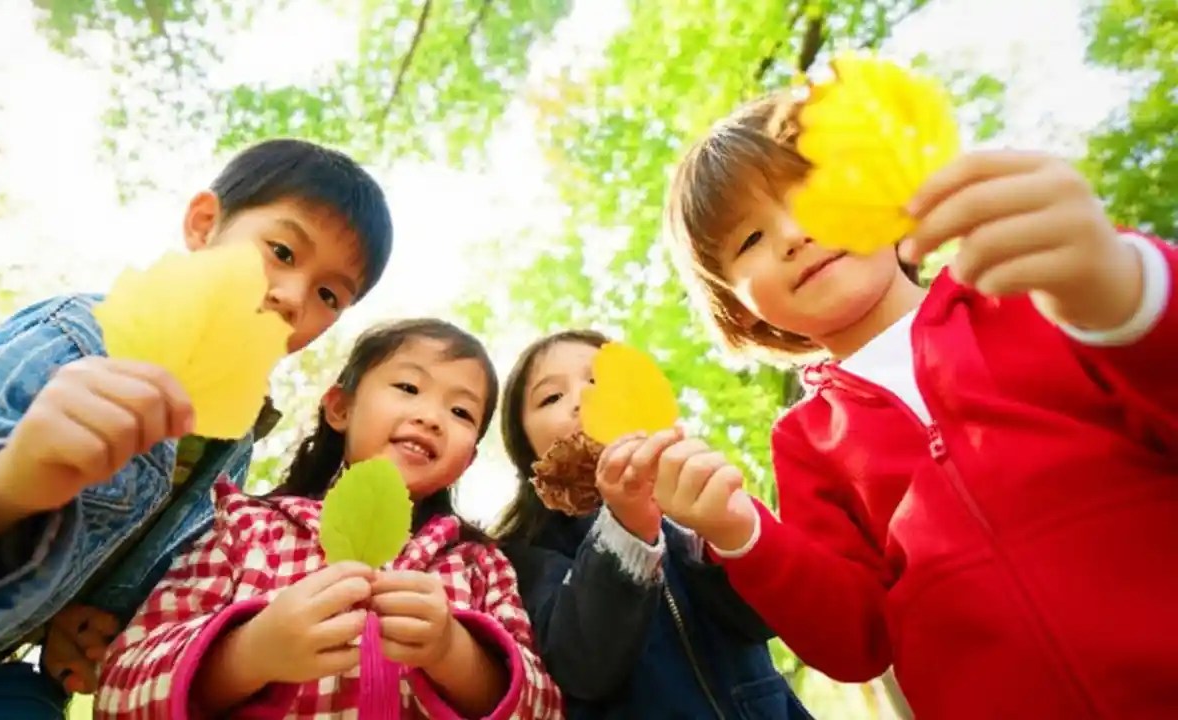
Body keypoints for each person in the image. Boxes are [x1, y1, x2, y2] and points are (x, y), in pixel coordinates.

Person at [650, 90, 1178, 717]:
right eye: (751, 239)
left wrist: (1124, 291)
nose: (794, 234)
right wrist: (742, 533)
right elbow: (855, 641)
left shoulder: (1042, 287)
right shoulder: (805, 442)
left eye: (815, 194)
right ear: (738, 307)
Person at [0, 139, 393, 718]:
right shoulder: (76, 341)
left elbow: (126, 574)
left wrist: (76, 623)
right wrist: (9, 481)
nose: (292, 297)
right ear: (205, 224)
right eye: (282, 251)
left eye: (329, 295)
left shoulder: (231, 446)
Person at [96, 318, 562, 719]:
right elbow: (118, 692)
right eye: (408, 387)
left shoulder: (480, 565)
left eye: (461, 411)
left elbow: (544, 710)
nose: (431, 416)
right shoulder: (243, 528)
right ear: (340, 407)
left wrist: (453, 652)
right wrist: (251, 651)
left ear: (466, 461)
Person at [494, 329, 810, 719]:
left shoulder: (690, 508)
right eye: (551, 397)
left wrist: (724, 533)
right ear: (525, 449)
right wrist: (625, 530)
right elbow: (584, 667)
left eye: (599, 381)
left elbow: (769, 620)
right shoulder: (523, 555)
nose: (583, 399)